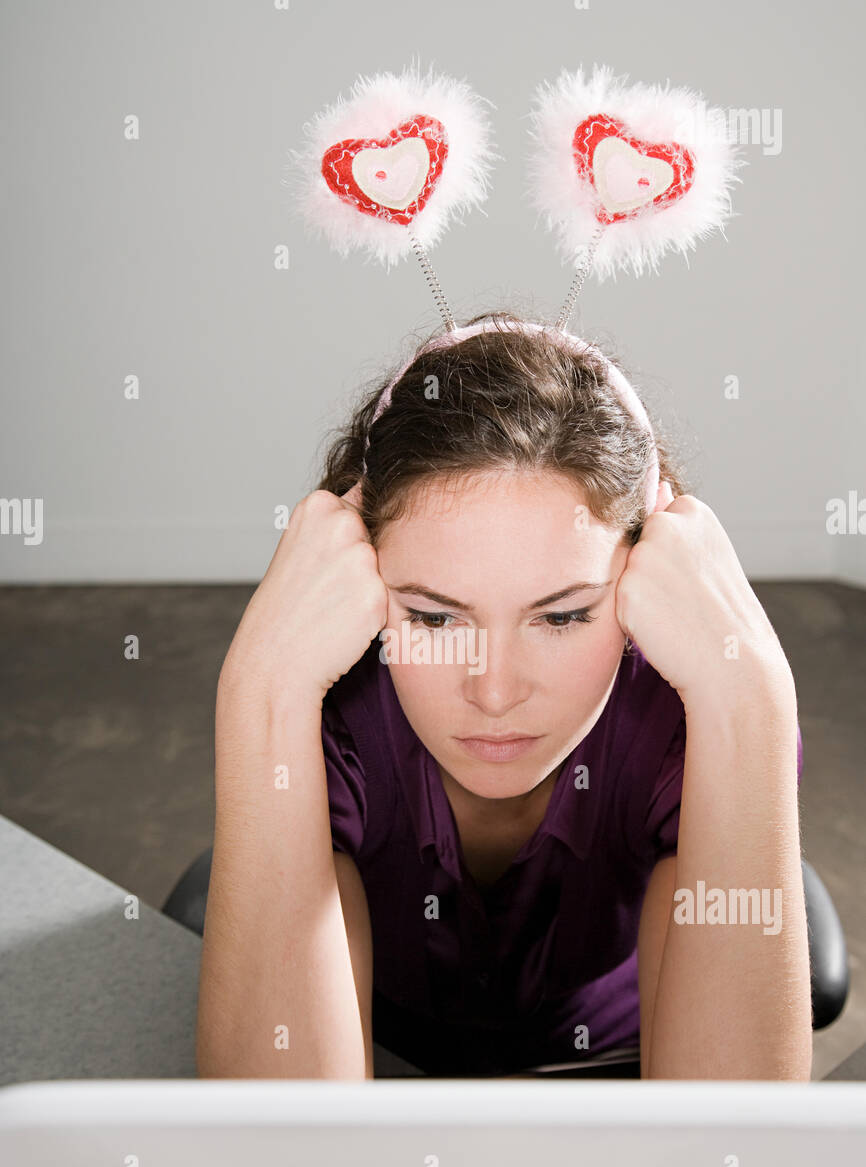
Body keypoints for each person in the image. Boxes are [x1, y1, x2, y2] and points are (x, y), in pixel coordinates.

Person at [195, 312, 811, 1082]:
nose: (494, 691)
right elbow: (278, 1158)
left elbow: (733, 1157)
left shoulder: (692, 701)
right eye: (433, 616)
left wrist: (754, 694)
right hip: (371, 1035)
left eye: (560, 616)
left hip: (618, 1049)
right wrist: (258, 685)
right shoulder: (329, 702)